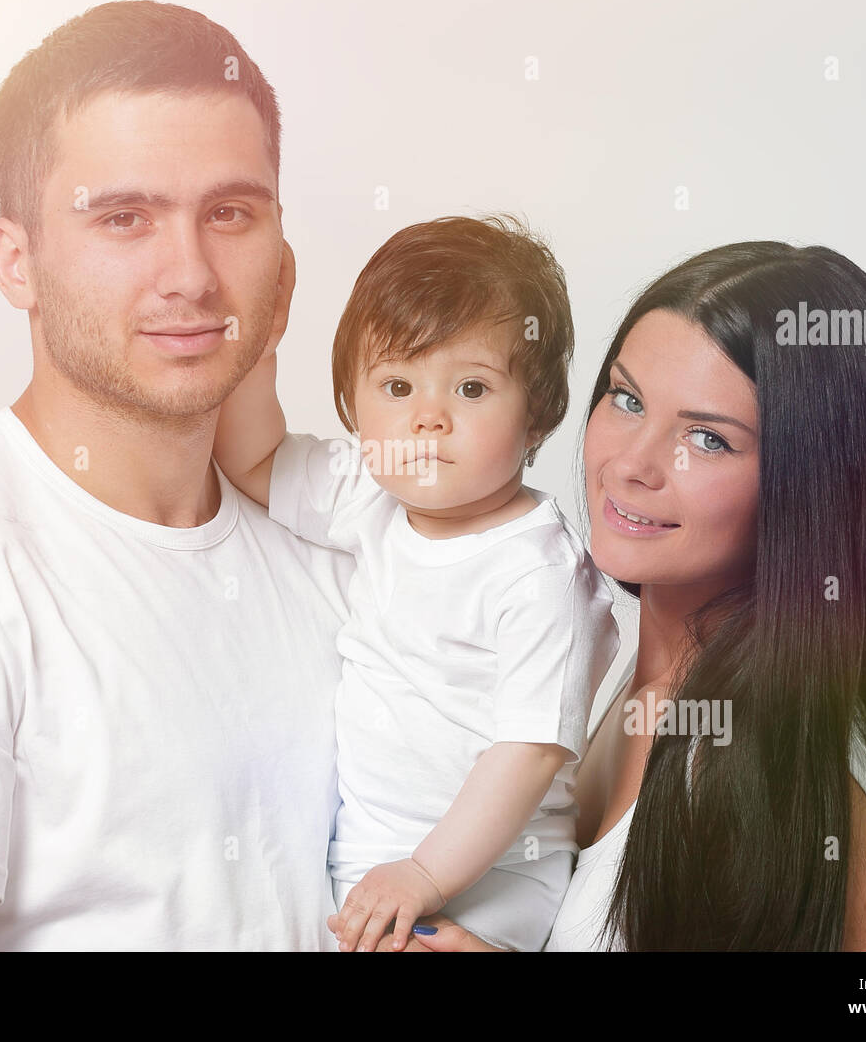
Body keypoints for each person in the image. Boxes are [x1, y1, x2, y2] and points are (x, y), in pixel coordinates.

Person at [0, 1, 356, 951]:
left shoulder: (343, 544)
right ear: (18, 262)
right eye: (126, 218)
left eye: (230, 213)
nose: (192, 274)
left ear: (283, 266)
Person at [411, 241, 866, 951]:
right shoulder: (621, 679)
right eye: (626, 399)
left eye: (707, 438)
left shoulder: (772, 777)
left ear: (807, 491)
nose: (632, 462)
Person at [213, 216, 621, 952]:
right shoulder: (367, 497)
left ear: (538, 417)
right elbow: (252, 459)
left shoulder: (540, 570)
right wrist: (257, 344)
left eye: (470, 387)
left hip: (493, 878)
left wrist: (426, 873)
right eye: (397, 385)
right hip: (366, 862)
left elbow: (529, 750)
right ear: (353, 404)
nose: (428, 418)